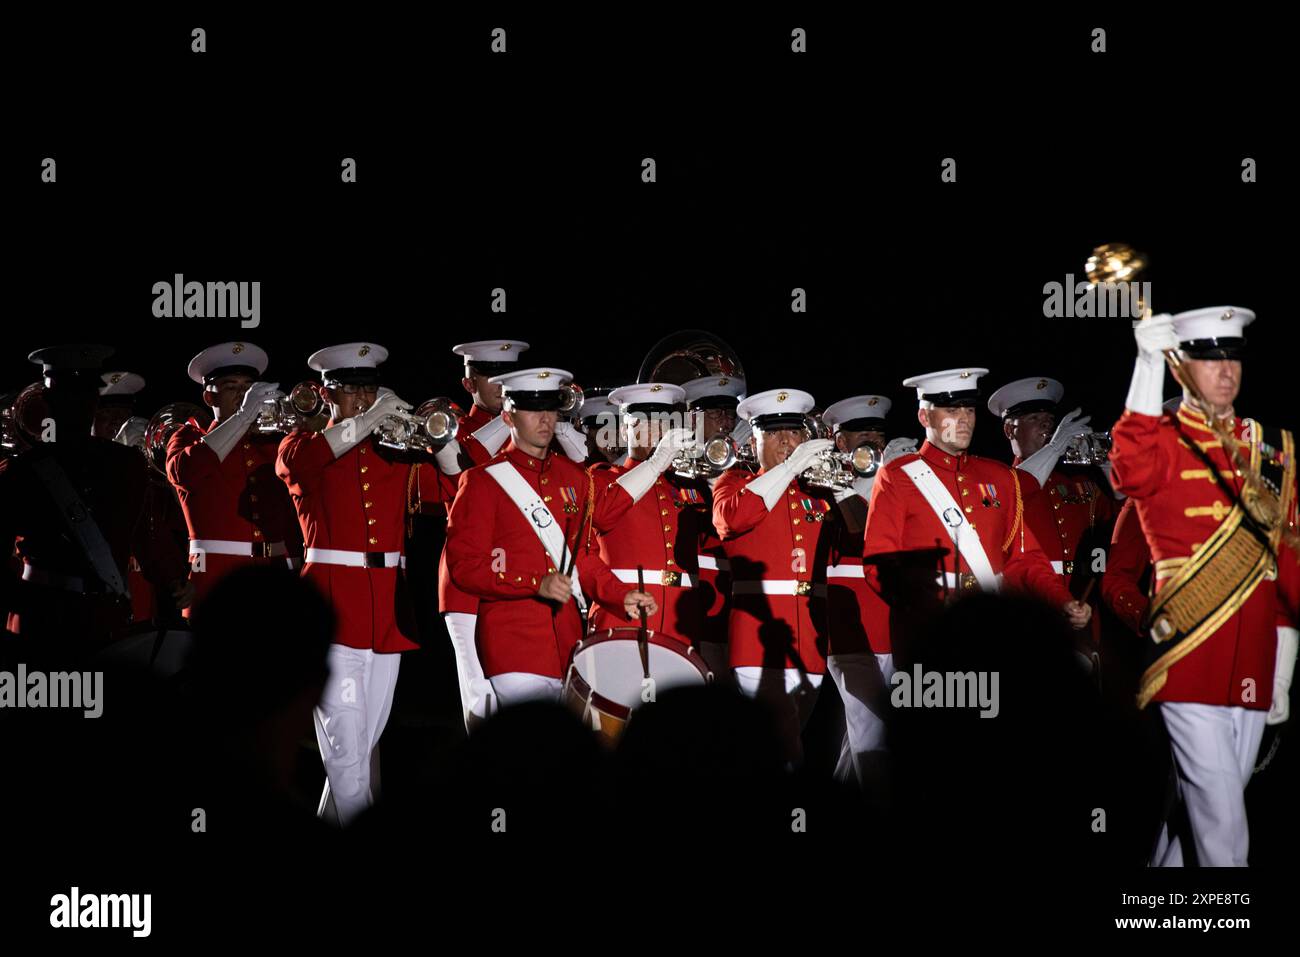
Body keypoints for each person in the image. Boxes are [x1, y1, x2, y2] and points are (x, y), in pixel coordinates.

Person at [1108, 306, 1297, 866]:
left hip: (1256, 655)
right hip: (1190, 654)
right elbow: (1128, 468)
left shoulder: (1270, 449)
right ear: (1181, 368)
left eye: (1232, 357)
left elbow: (1286, 565)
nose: (1225, 370)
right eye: (1209, 358)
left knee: (1205, 809)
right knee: (1223, 828)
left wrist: (1283, 666)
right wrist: (1144, 364)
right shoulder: (1162, 441)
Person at [277, 341, 457, 826]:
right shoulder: (300, 444)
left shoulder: (394, 449)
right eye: (350, 392)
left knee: (359, 746)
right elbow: (304, 465)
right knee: (344, 747)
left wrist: (438, 439)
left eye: (369, 391)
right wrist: (372, 416)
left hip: (388, 610)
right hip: (331, 610)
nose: (361, 399)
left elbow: (457, 486)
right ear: (327, 394)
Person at [444, 366, 656, 711]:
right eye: (532, 409)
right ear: (509, 416)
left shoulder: (574, 477)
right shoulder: (482, 481)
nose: (544, 419)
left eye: (550, 408)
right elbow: (465, 567)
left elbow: (584, 559)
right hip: (512, 644)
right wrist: (533, 584)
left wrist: (621, 595)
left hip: (569, 645)